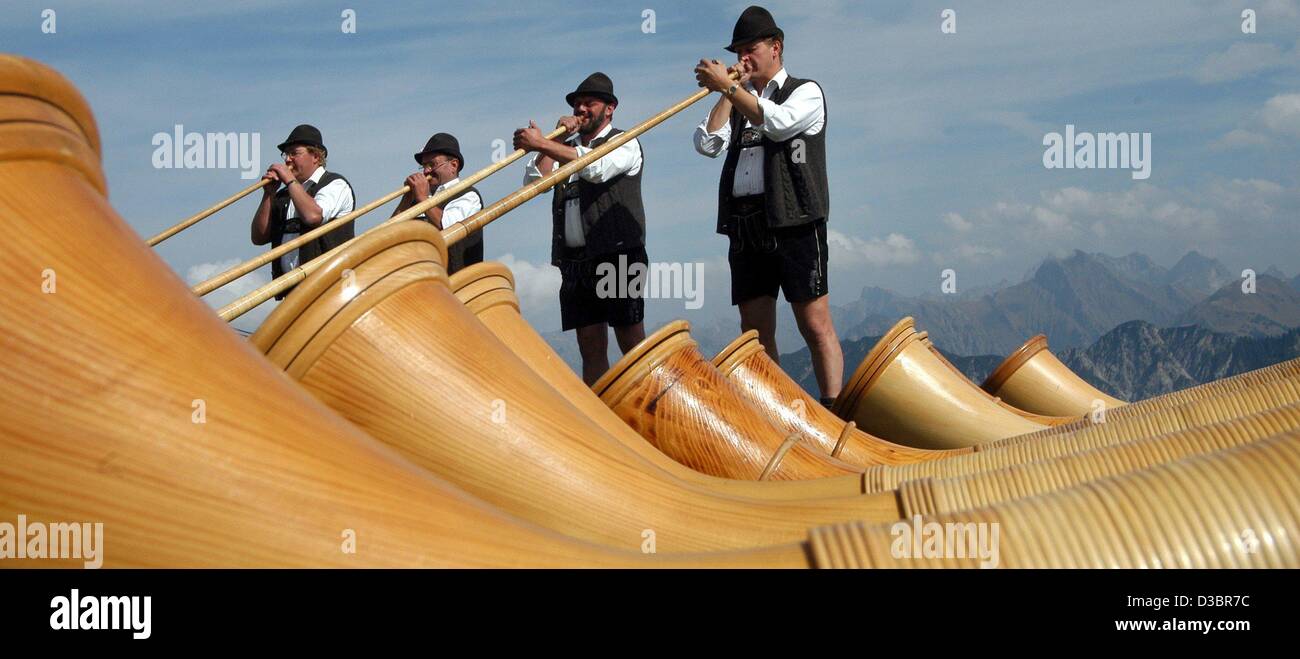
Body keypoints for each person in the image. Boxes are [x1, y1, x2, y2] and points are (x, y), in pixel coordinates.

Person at [692, 6, 843, 406]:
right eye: (738, 50)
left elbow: (777, 123)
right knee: (755, 332)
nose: (743, 57)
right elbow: (707, 144)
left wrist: (729, 88)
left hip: (794, 221)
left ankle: (834, 409)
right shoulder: (739, 99)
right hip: (746, 226)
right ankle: (777, 412)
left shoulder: (806, 91)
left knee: (814, 323)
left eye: (750, 48)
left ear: (775, 48)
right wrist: (727, 91)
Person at [513, 72, 648, 385]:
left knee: (630, 340)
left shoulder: (624, 141)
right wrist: (552, 142)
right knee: (590, 347)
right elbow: (535, 183)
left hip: (618, 255)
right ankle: (601, 415)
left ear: (610, 109)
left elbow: (596, 168)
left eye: (590, 103)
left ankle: (649, 410)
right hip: (576, 261)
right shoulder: (564, 149)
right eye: (577, 105)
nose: (581, 109)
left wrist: (544, 143)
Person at [250, 124, 355, 299]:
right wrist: (268, 195)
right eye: (286, 154)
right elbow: (259, 237)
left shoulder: (335, 184)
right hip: (293, 294)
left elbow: (313, 216)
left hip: (330, 290)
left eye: (294, 153)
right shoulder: (284, 195)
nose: (288, 160)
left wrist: (289, 180)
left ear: (315, 156)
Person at [392, 132, 484, 274]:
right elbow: (389, 234)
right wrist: (406, 199)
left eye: (432, 164)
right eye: (424, 166)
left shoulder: (469, 196)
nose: (426, 171)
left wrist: (422, 199)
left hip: (458, 287)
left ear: (453, 165)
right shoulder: (421, 197)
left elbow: (447, 227)